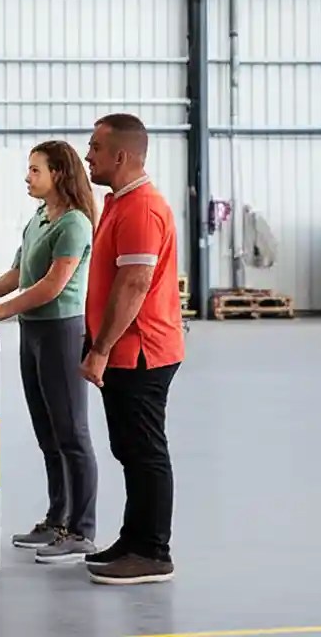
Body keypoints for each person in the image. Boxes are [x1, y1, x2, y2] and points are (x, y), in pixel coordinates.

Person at [0, 140, 101, 564]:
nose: (28, 177)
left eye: (35, 170)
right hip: (34, 331)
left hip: (61, 331)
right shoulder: (41, 218)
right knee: (48, 431)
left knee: (72, 433)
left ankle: (81, 529)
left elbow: (50, 286)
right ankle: (57, 517)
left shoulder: (75, 224)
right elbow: (17, 273)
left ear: (58, 174)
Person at [78, 113, 185, 585]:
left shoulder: (141, 208)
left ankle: (152, 551)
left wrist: (100, 348)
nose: (87, 156)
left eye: (95, 148)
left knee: (144, 450)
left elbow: (135, 281)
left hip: (140, 351)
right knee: (129, 448)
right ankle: (134, 539)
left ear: (120, 156)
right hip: (126, 349)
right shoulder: (119, 203)